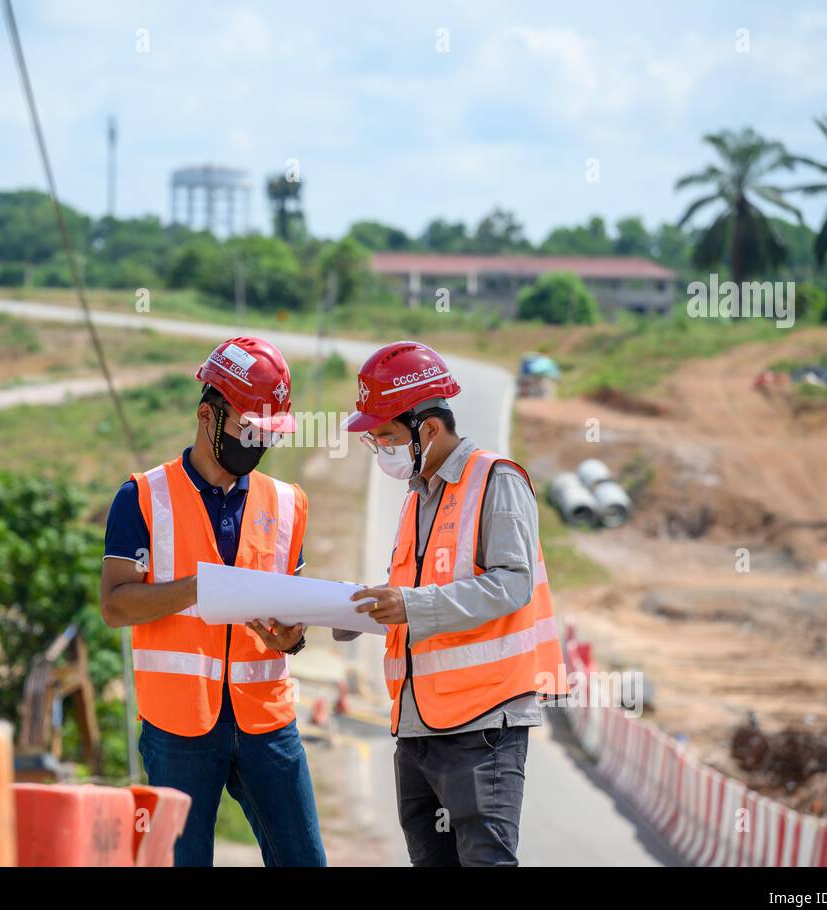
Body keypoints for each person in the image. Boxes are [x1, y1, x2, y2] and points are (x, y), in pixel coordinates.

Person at [336, 340, 566, 866]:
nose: (381, 448)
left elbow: (512, 584)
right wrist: (353, 611)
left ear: (430, 428)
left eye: (387, 436)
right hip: (417, 728)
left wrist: (409, 605)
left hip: (481, 729)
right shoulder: (418, 497)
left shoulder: (497, 480)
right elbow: (418, 598)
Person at [99, 336, 326, 867]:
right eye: (250, 428)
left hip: (267, 722)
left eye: (269, 432)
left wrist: (292, 637)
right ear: (208, 415)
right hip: (177, 727)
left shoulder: (288, 503)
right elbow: (114, 605)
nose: (259, 442)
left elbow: (292, 615)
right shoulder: (141, 498)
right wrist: (199, 588)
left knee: (304, 860)